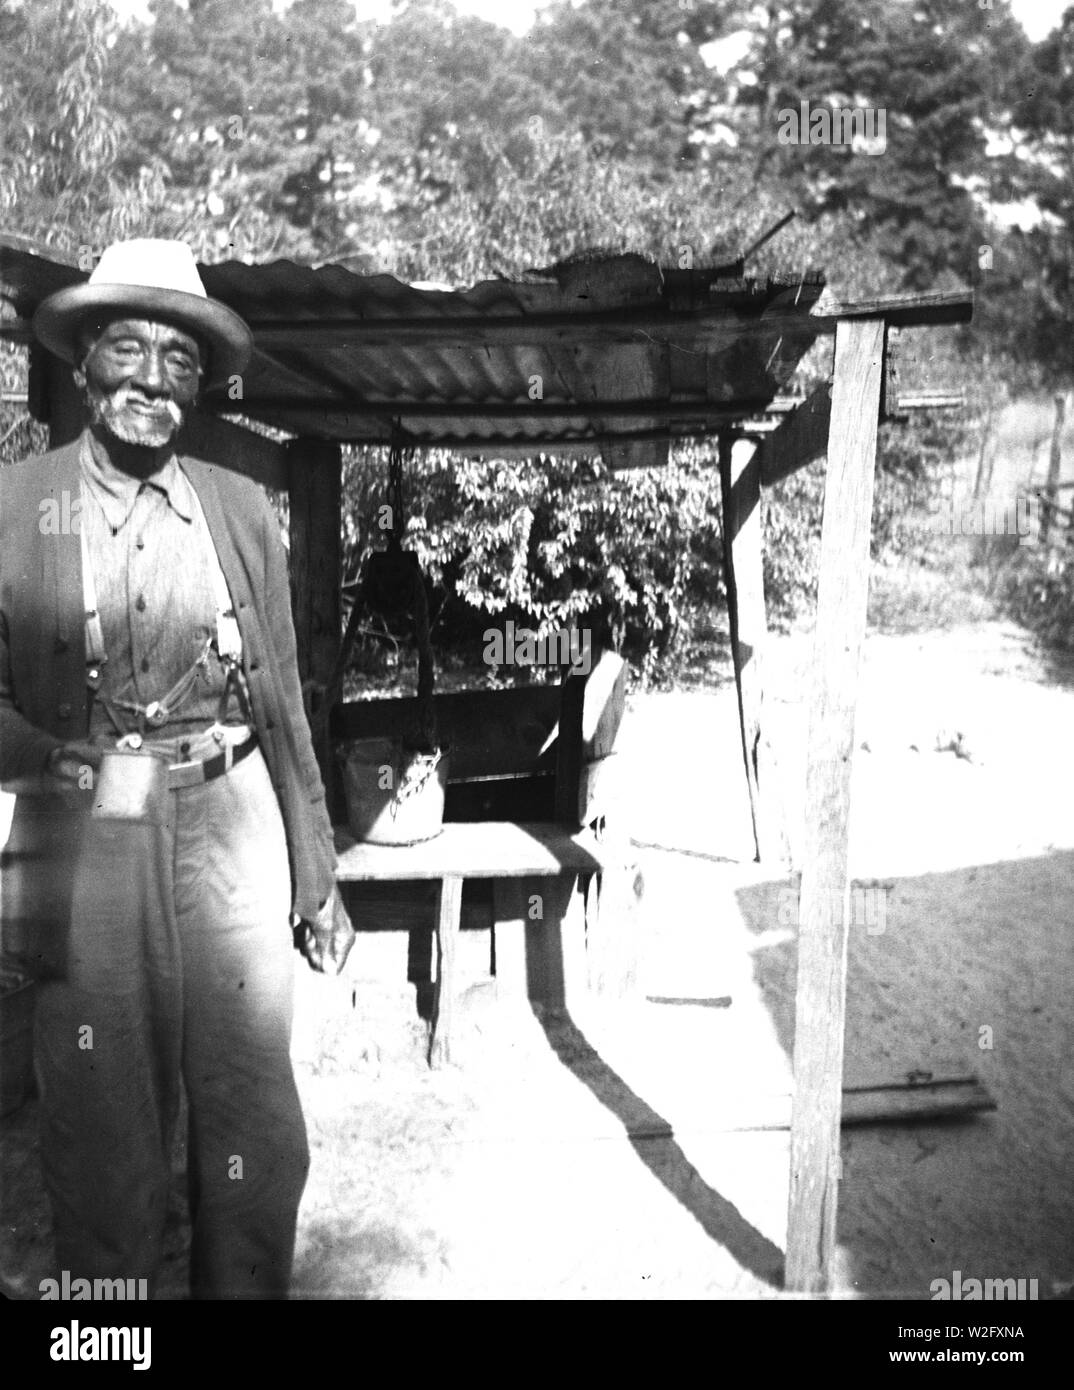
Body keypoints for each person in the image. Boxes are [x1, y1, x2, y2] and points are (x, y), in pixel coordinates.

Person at [0, 238, 355, 1299]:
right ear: (82, 362)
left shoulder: (240, 503)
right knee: (105, 1126)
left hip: (230, 815)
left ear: (203, 379)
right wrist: (46, 757)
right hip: (91, 832)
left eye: (180, 359)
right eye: (127, 348)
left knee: (255, 1128)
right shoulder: (15, 508)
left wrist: (317, 866)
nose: (153, 380)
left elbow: (286, 696)